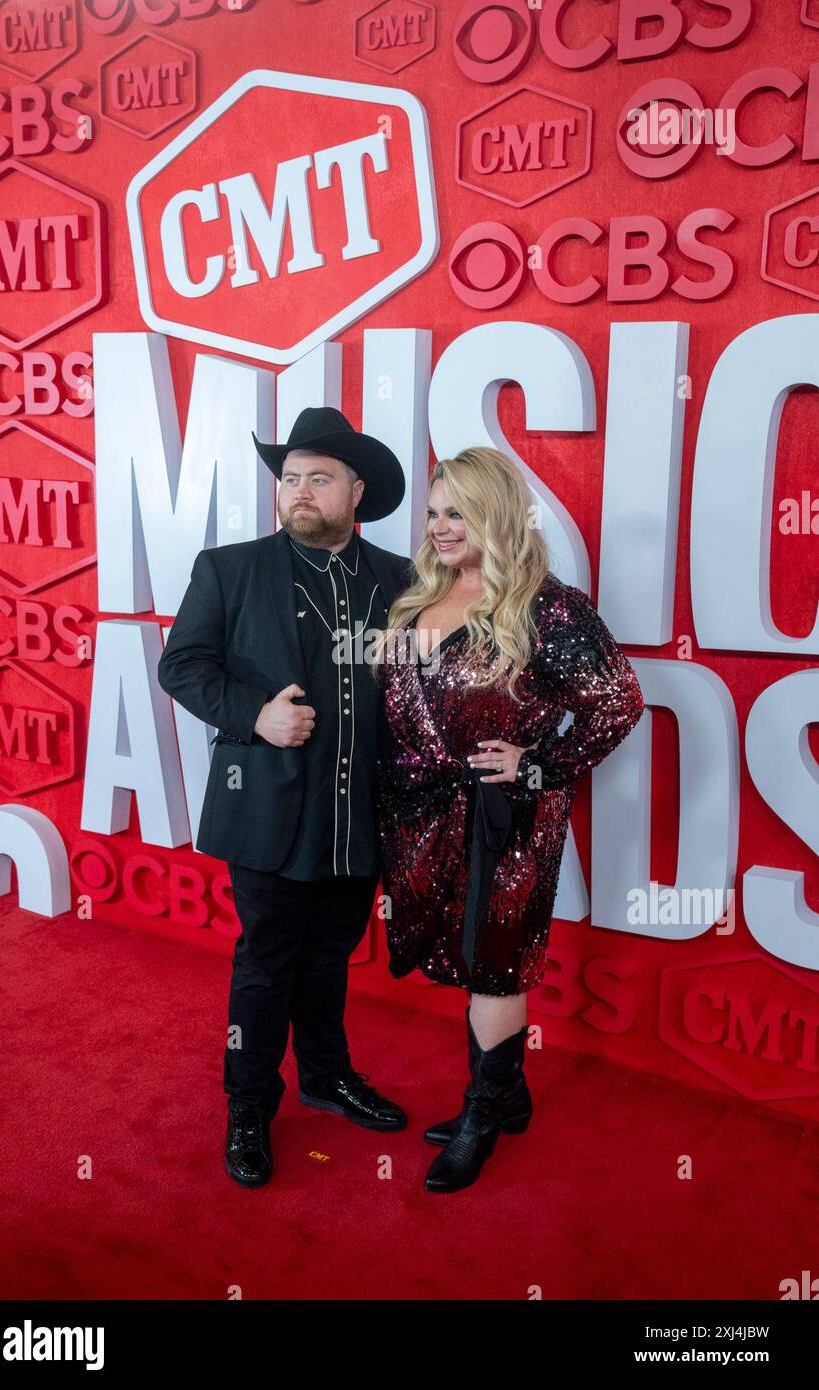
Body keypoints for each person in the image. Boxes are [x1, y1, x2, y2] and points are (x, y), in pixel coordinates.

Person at [373, 445, 645, 1193]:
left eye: (457, 511)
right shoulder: (415, 596)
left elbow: (618, 700)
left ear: (495, 511)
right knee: (464, 953)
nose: (440, 528)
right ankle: (510, 1095)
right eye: (432, 514)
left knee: (496, 956)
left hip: (506, 817)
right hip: (420, 813)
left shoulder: (545, 604)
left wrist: (537, 764)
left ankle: (481, 1117)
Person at [158, 406, 413, 1189]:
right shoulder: (227, 568)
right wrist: (255, 715)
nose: (298, 491)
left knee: (329, 956)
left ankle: (326, 1076)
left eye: (318, 478)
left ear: (356, 490)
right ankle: (247, 1104)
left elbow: (410, 686)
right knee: (266, 962)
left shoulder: (400, 579)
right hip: (267, 809)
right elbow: (182, 667)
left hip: (356, 814)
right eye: (290, 478)